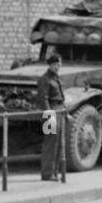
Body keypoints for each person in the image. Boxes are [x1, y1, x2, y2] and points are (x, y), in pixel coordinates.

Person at [36, 52, 65, 181]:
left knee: (59, 144)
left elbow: (61, 98)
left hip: (59, 111)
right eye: (55, 64)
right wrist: (49, 115)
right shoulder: (45, 79)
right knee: (50, 144)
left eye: (59, 64)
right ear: (50, 65)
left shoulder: (56, 78)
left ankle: (55, 171)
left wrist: (66, 113)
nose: (57, 67)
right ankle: (47, 173)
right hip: (50, 112)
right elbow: (43, 99)